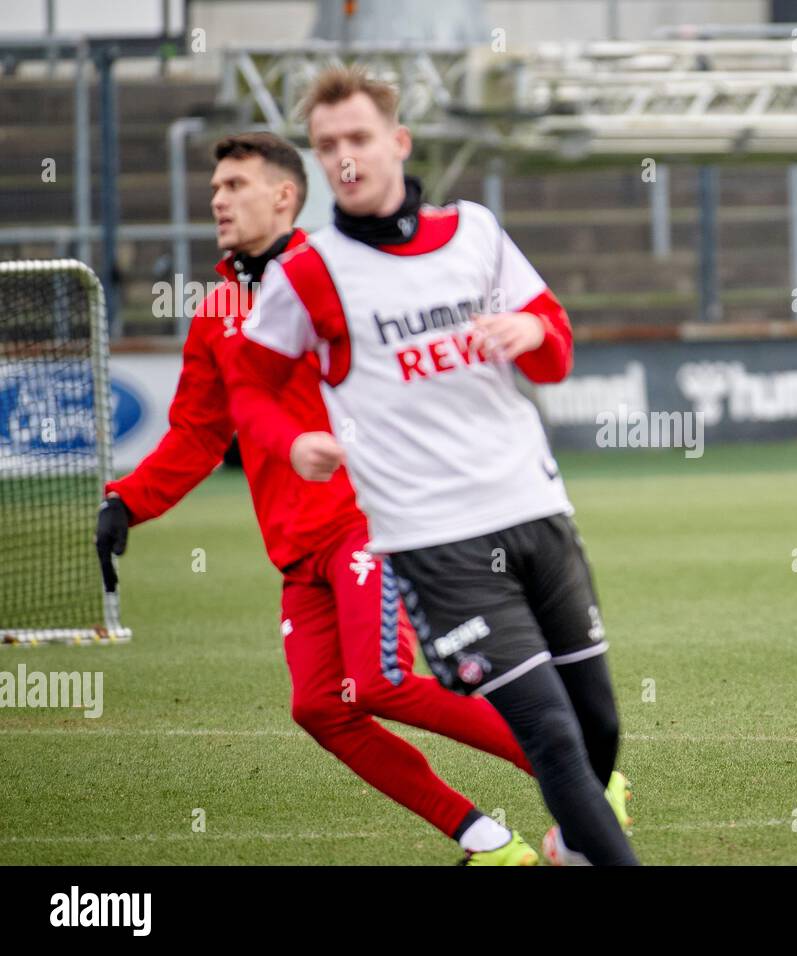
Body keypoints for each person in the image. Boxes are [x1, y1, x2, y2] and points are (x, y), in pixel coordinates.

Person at [97, 131, 544, 865]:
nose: (218, 198)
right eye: (215, 187)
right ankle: (488, 842)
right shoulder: (216, 311)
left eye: (235, 185)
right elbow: (196, 436)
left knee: (381, 682)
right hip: (298, 547)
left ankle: (579, 770)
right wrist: (127, 503)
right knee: (322, 708)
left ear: (284, 195)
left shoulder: (339, 275)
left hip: (370, 517)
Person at [227, 67, 636, 864]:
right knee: (549, 732)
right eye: (327, 147)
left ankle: (573, 845)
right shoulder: (308, 275)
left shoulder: (477, 231)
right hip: (434, 540)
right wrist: (288, 443)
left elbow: (554, 343)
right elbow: (248, 387)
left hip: (535, 510)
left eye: (358, 139)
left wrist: (531, 335)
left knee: (599, 726)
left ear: (398, 142)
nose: (345, 158)